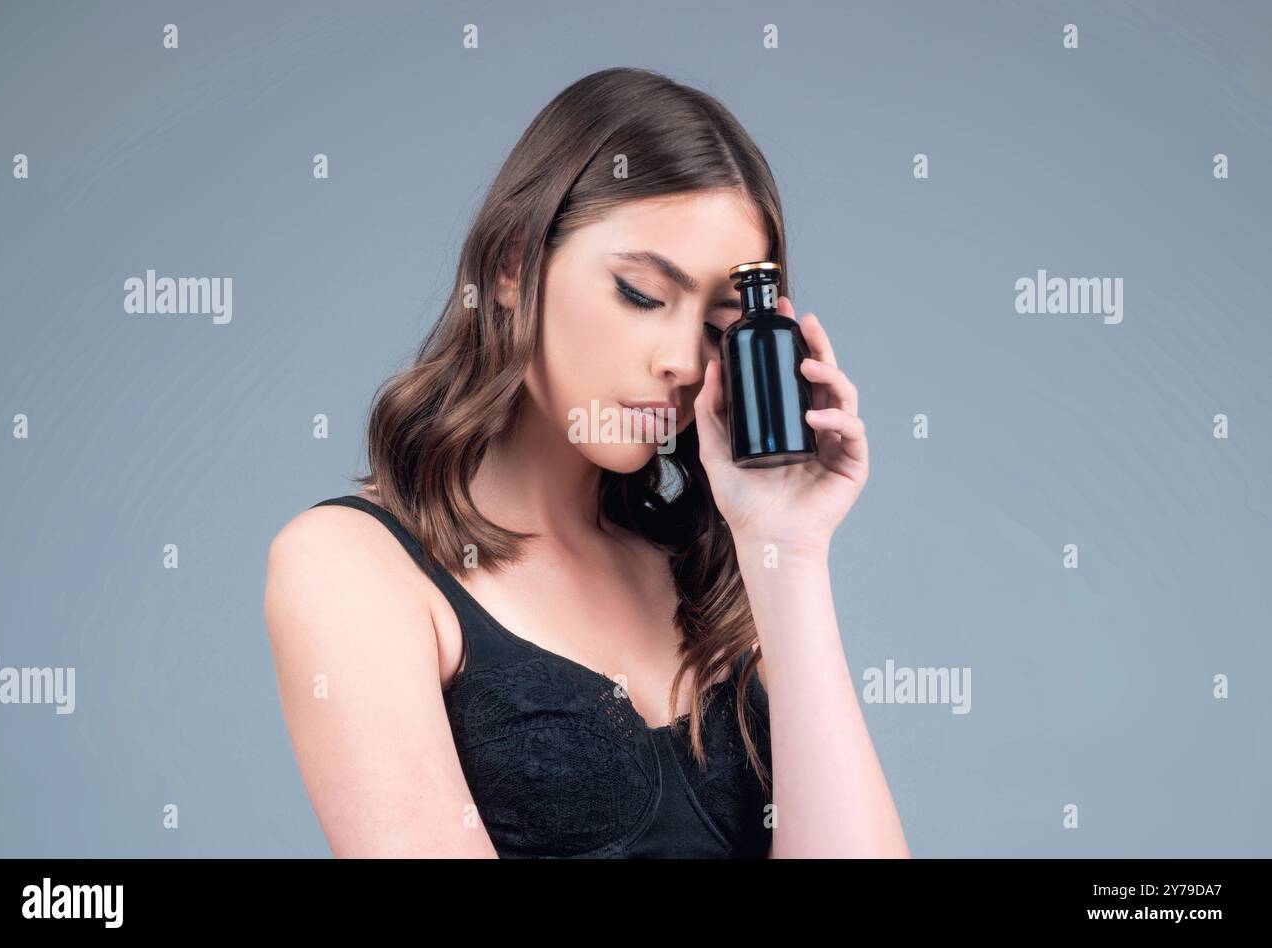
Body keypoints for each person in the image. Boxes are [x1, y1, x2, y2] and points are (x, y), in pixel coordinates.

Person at [264, 66, 908, 858]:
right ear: (510, 265)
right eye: (640, 293)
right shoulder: (351, 565)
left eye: (719, 325)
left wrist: (791, 549)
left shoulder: (707, 567)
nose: (681, 359)